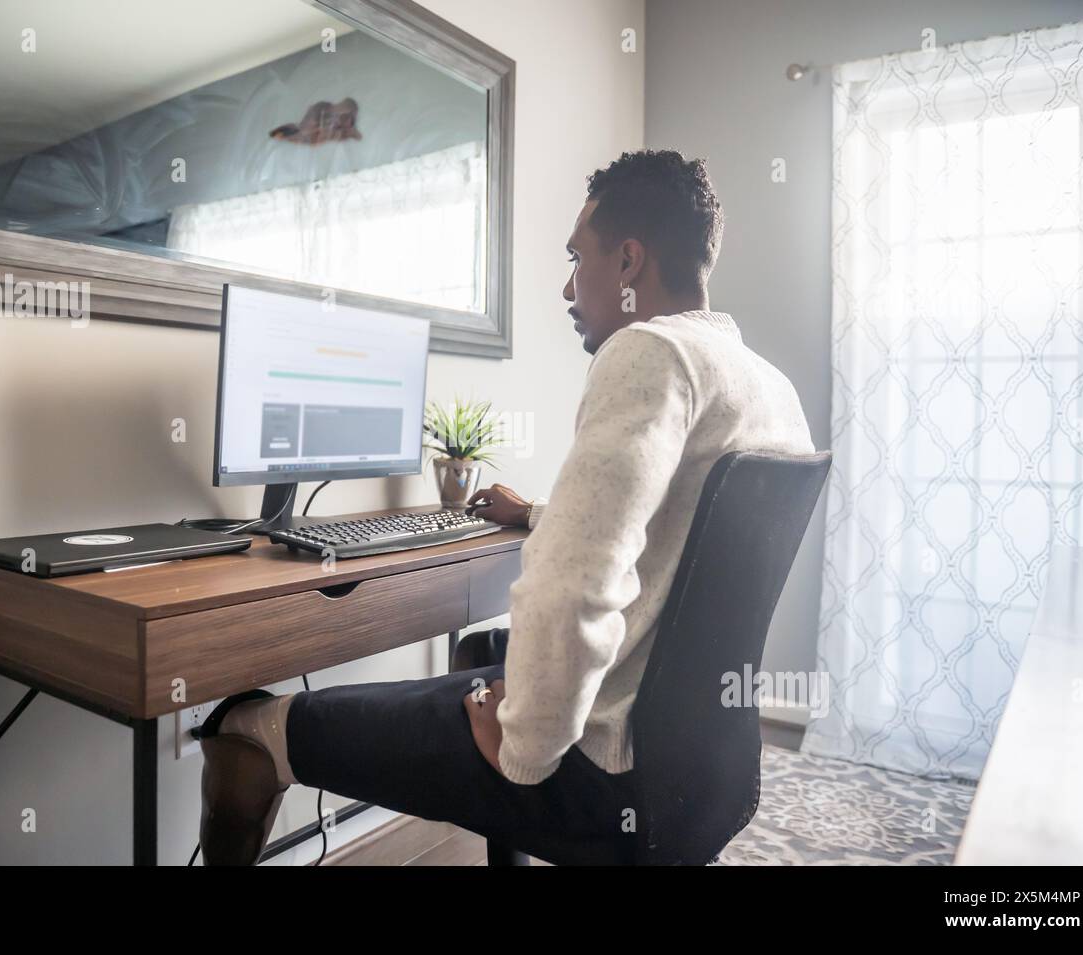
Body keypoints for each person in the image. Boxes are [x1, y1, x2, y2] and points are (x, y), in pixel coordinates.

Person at [197, 148, 814, 865]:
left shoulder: (650, 351)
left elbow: (575, 584)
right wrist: (534, 516)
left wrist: (522, 750)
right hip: (700, 776)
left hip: (598, 770)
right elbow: (671, 542)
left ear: (628, 263)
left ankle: (257, 741)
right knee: (485, 660)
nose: (566, 285)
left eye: (575, 257)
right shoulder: (768, 386)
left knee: (247, 725)